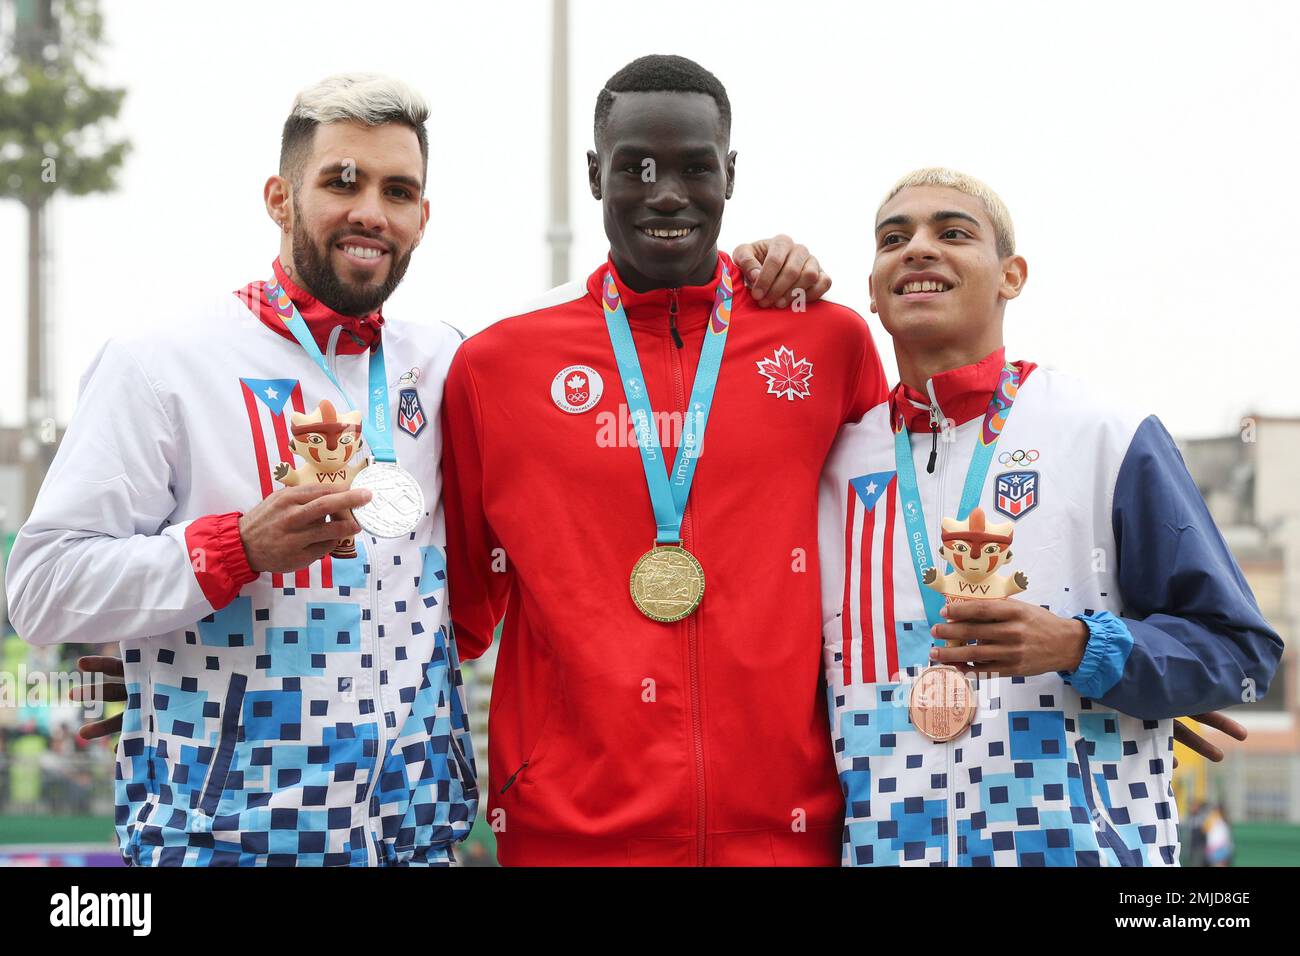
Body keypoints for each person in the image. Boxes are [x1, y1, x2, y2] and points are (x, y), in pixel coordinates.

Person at [9, 70, 825, 867]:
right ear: (279, 198)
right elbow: (40, 588)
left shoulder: (443, 364)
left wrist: (752, 268)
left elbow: (615, 301)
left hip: (412, 837)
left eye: (398, 192)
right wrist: (229, 555)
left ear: (423, 216)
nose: (371, 212)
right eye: (342, 181)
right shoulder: (161, 364)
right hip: (224, 840)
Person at [442, 54, 888, 866]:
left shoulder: (829, 342)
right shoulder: (495, 369)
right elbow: (454, 612)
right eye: (636, 168)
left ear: (732, 174)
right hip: (569, 834)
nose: (668, 193)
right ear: (593, 175)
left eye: (695, 168)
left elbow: (889, 572)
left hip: (793, 831)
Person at [818, 168, 1283, 866]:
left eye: (952, 233)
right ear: (873, 291)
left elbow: (1241, 653)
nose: (917, 248)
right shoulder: (834, 465)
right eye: (893, 238)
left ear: (1012, 275)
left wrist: (1081, 649)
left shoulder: (1106, 434)